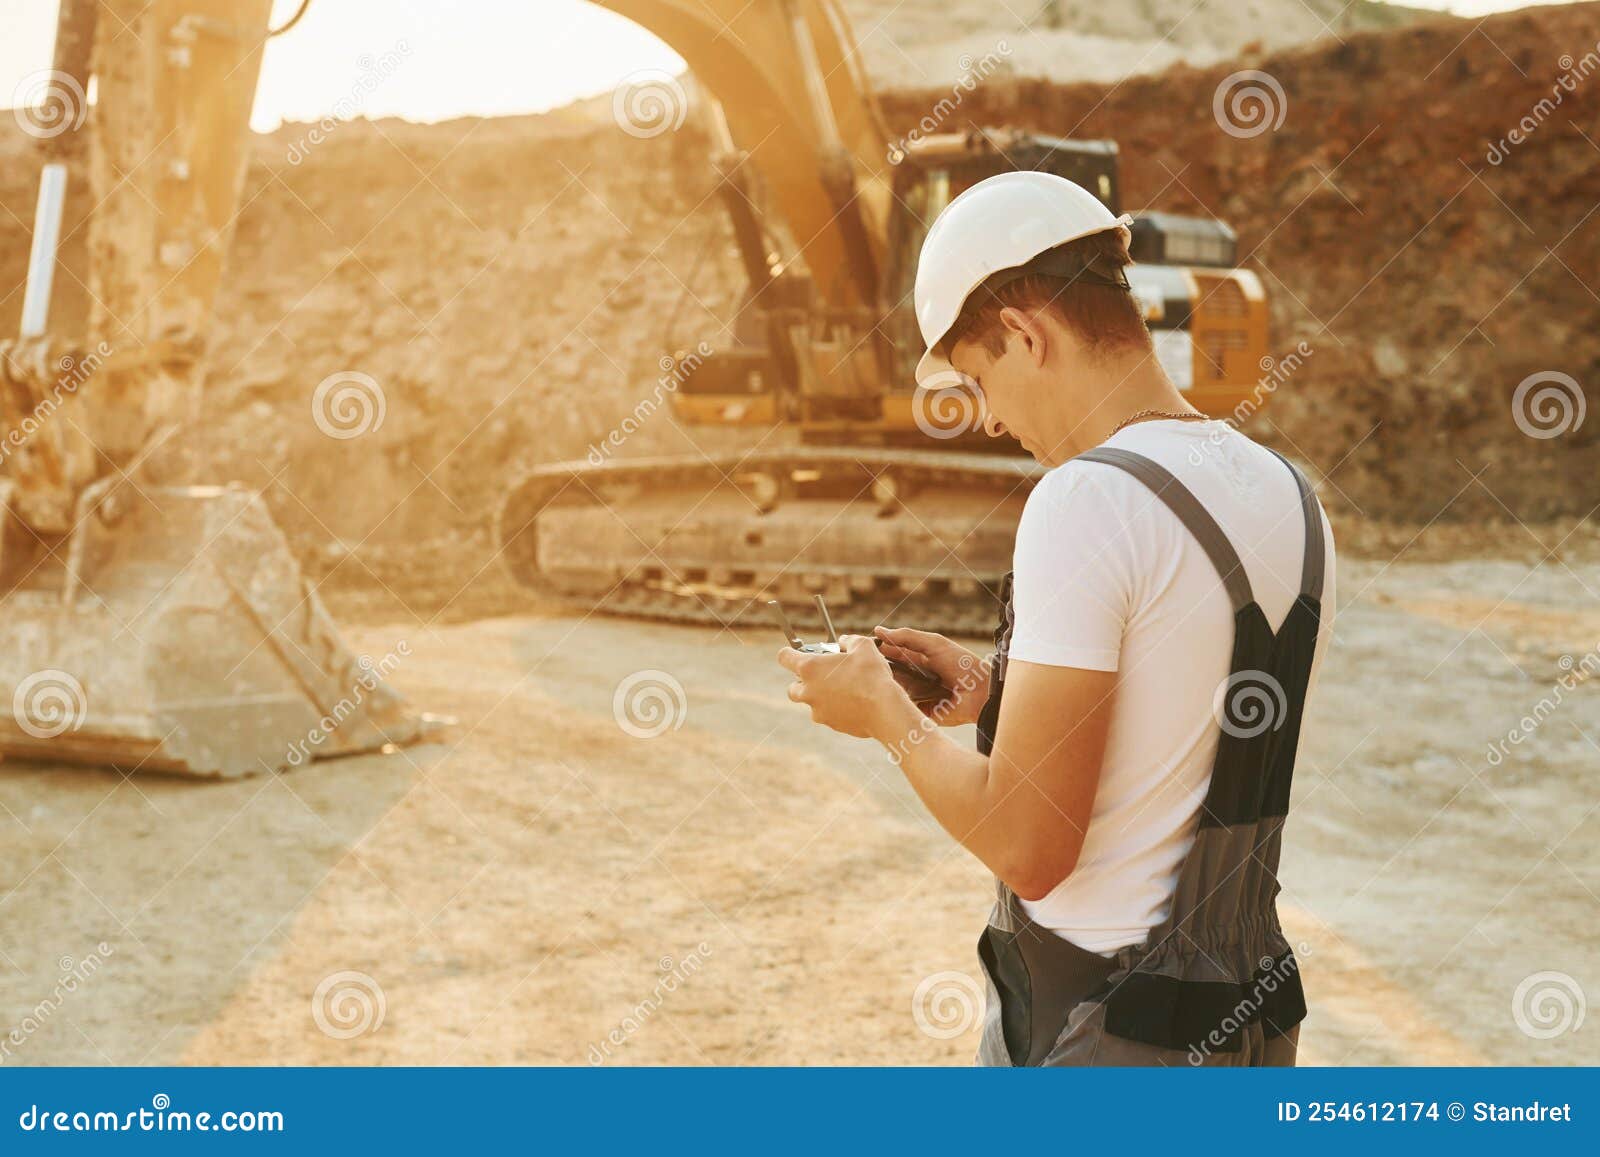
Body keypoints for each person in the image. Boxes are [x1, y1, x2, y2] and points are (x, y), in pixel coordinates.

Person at [776, 171, 1337, 1066]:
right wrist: (997, 691)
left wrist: (880, 711)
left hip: (1103, 1034)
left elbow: (1028, 846)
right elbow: (1188, 724)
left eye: (977, 378)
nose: (991, 419)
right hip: (1250, 1026)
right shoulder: (1289, 494)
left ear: (1023, 333)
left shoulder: (1086, 499)